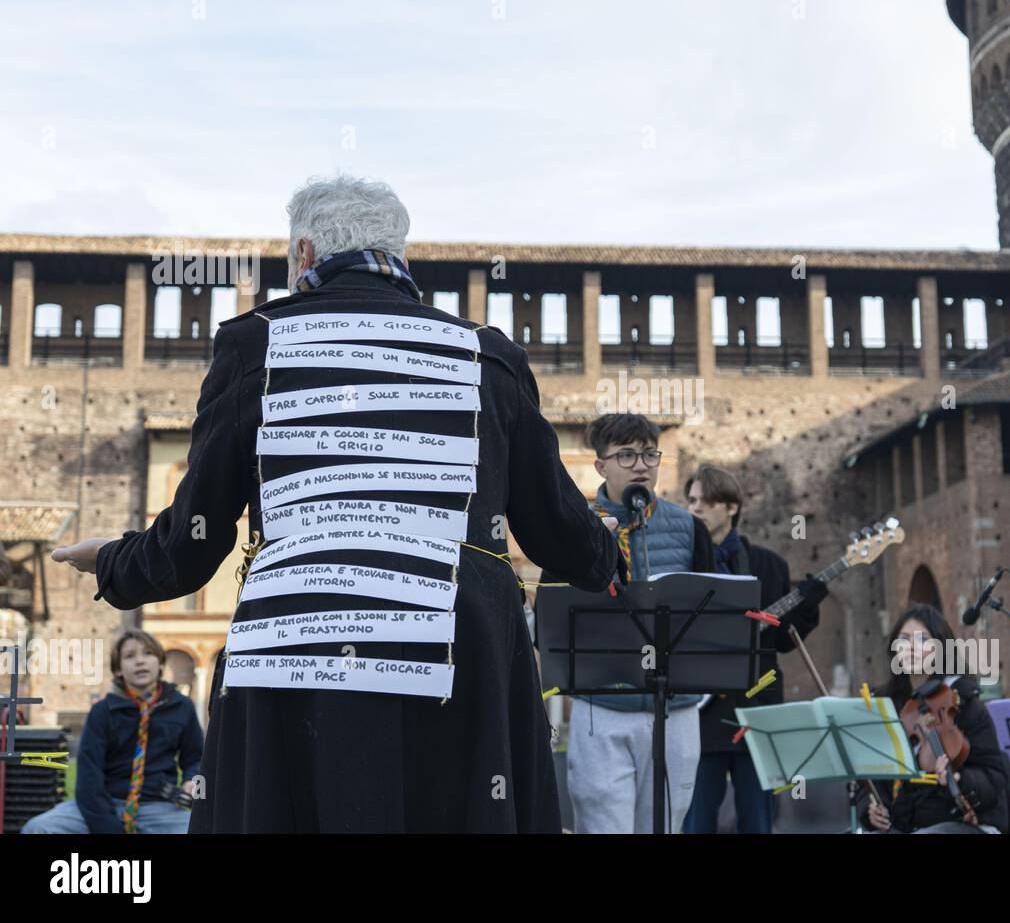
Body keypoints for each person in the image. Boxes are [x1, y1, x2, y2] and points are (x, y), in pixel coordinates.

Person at [50, 175, 619, 832]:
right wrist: (611, 548)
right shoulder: (488, 354)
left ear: (304, 254)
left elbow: (188, 546)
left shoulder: (254, 342)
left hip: (300, 635)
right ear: (401, 255)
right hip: (462, 640)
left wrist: (115, 563)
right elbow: (559, 535)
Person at [563, 412, 714, 834]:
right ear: (600, 465)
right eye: (626, 455)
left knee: (667, 825)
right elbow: (554, 621)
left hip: (677, 708)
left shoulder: (689, 528)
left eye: (649, 454)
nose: (641, 465)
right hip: (603, 707)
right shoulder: (575, 529)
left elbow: (713, 613)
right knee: (603, 826)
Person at [680, 464, 826, 834]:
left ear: (731, 508)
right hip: (698, 714)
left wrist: (807, 605)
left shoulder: (768, 564)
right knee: (696, 821)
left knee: (758, 821)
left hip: (757, 713)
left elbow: (782, 640)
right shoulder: (681, 565)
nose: (694, 508)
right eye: (691, 500)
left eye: (705, 501)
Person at [23, 630, 200, 834]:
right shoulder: (103, 711)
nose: (140, 661)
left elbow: (196, 757)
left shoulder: (181, 706)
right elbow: (89, 774)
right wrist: (108, 827)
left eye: (148, 653)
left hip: (158, 806)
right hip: (105, 802)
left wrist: (191, 780)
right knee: (39, 828)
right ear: (118, 670)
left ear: (160, 663)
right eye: (130, 656)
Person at [861, 604, 1010, 834]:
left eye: (922, 640)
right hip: (906, 824)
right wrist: (872, 808)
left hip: (964, 823)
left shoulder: (964, 702)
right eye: (903, 639)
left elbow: (994, 778)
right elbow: (873, 777)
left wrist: (961, 779)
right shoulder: (886, 704)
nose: (910, 648)